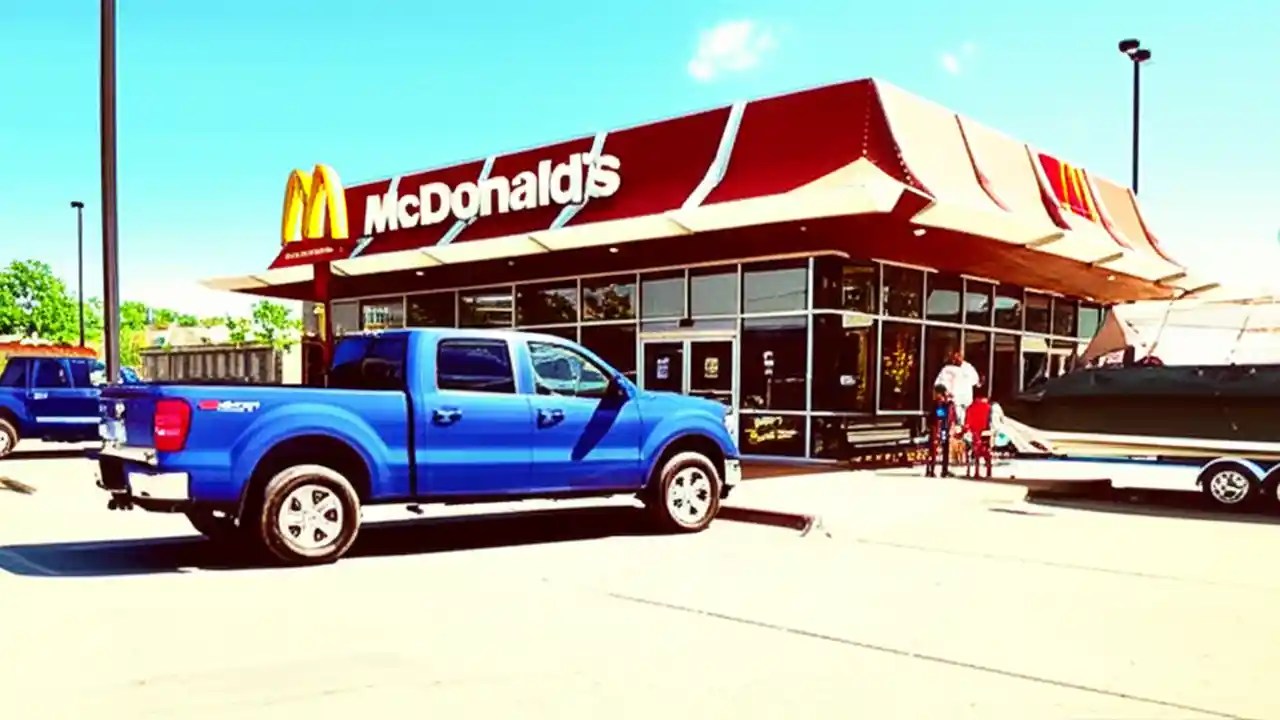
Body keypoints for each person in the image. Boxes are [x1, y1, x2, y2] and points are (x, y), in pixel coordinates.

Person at [933, 350, 980, 427]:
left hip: (965, 401)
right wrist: (944, 393)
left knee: (962, 423)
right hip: (949, 402)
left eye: (959, 356)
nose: (957, 358)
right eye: (955, 357)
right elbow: (939, 385)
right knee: (944, 421)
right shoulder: (947, 369)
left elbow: (975, 381)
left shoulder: (968, 368)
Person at [926, 383, 956, 478]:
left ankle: (933, 469)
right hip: (942, 429)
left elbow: (940, 416)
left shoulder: (939, 403)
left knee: (935, 448)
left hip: (939, 429)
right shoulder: (944, 403)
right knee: (941, 448)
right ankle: (942, 470)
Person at [964, 386, 994, 478]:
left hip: (974, 434)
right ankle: (988, 471)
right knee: (987, 452)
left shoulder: (969, 408)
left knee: (974, 451)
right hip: (985, 433)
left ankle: (974, 471)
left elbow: (967, 423)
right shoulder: (988, 407)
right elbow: (990, 421)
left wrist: (965, 430)